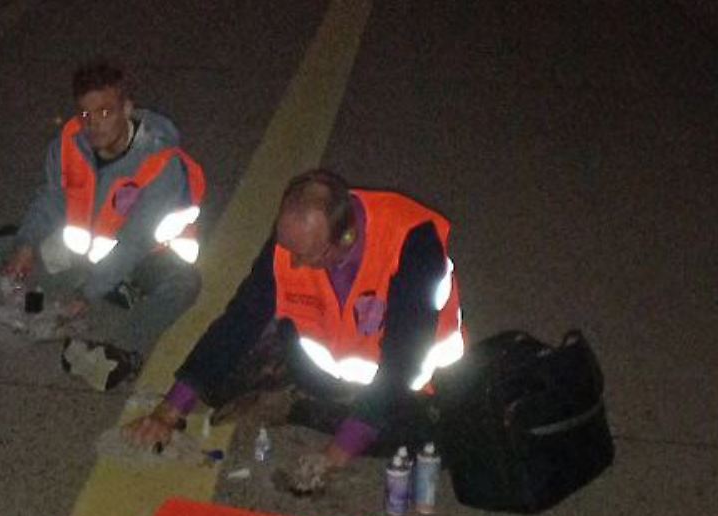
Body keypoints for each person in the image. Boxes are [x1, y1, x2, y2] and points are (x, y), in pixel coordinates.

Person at [124, 169, 466, 492]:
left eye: (310, 256)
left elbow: (403, 362)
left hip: (407, 386)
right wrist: (169, 410)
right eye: (290, 251)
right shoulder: (292, 240)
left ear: (345, 236)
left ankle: (302, 408)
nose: (297, 264)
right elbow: (241, 317)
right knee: (220, 375)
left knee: (433, 441)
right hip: (323, 369)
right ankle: (301, 400)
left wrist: (335, 455)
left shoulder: (414, 243)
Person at [0, 60, 207, 391]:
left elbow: (135, 244)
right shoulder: (68, 143)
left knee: (184, 284)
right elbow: (51, 199)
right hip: (89, 252)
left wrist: (87, 292)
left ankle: (123, 345)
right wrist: (25, 245)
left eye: (105, 113)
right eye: (84, 115)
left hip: (146, 259)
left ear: (127, 109)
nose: (93, 125)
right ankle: (99, 290)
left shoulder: (160, 162)